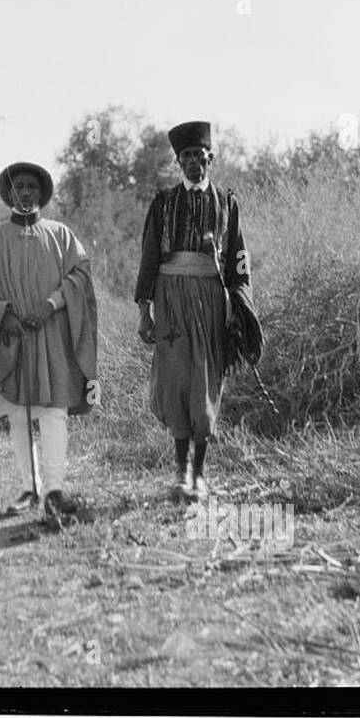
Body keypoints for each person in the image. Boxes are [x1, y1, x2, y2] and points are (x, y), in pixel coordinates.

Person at [134, 121, 261, 500]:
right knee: (177, 381)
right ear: (178, 162)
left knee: (206, 382)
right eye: (186, 157)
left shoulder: (227, 203)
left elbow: (238, 260)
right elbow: (149, 257)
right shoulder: (163, 203)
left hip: (210, 300)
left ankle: (200, 474)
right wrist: (145, 310)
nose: (194, 164)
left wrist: (241, 306)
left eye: (200, 156)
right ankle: (181, 472)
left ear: (211, 159)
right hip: (170, 297)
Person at [0, 162, 97, 518]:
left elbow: (80, 274)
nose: (25, 193)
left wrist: (51, 304)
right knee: (20, 414)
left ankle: (55, 489)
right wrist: (3, 314)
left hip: (51, 334)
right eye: (18, 187)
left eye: (31, 187)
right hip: (12, 337)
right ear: (9, 194)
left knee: (54, 412)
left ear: (41, 193)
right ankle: (30, 487)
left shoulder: (61, 235)